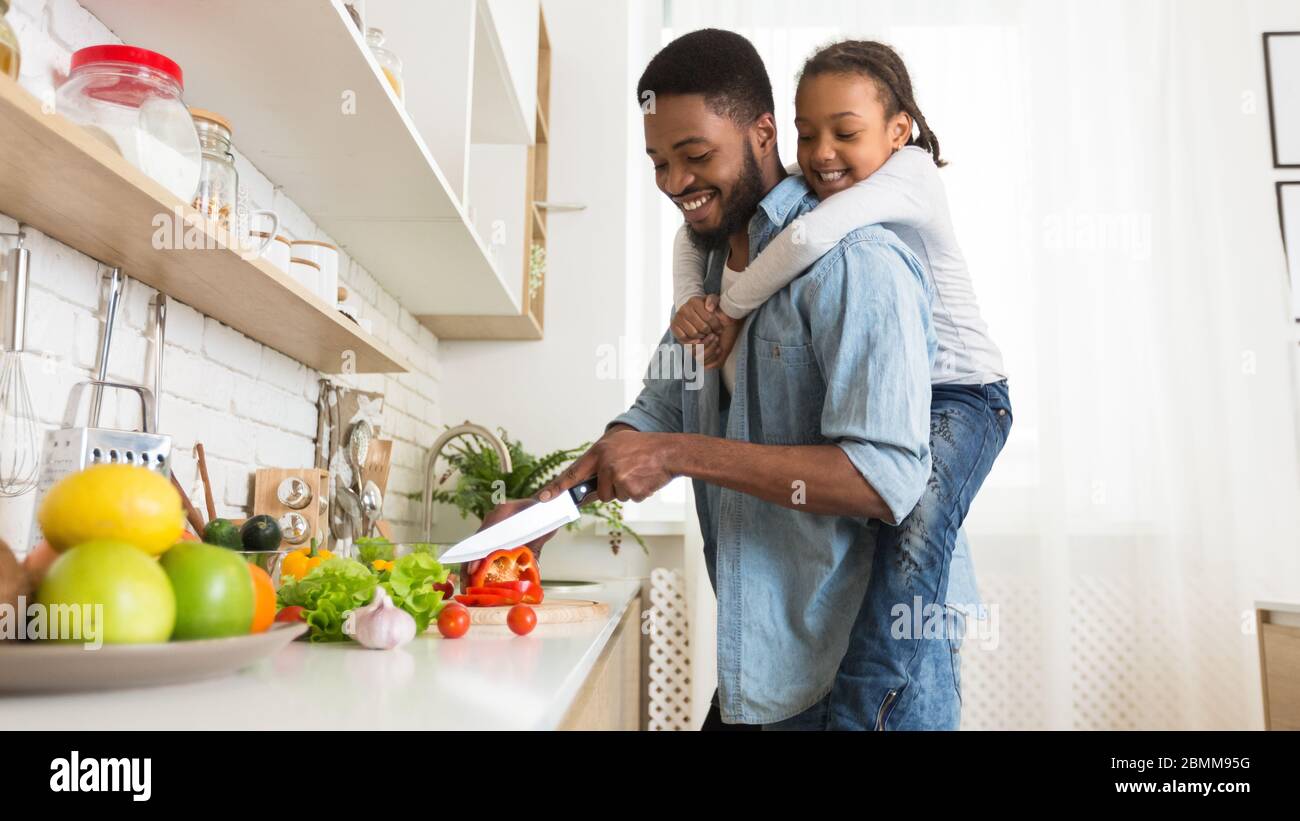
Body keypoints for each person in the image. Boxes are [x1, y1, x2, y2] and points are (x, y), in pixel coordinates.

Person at [484, 29, 978, 729]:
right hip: (767, 671)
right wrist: (540, 513)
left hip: (868, 686)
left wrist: (680, 455)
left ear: (762, 133)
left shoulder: (857, 261)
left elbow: (886, 479)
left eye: (695, 156)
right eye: (658, 162)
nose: (674, 183)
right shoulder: (712, 275)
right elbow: (655, 412)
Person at [670, 40, 1013, 730]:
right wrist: (693, 300)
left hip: (964, 394)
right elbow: (692, 239)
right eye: (807, 133)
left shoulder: (908, 178)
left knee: (911, 525)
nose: (821, 153)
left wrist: (729, 310)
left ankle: (867, 703)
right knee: (893, 528)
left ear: (899, 130)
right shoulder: (829, 187)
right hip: (914, 394)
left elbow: (800, 243)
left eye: (845, 133)